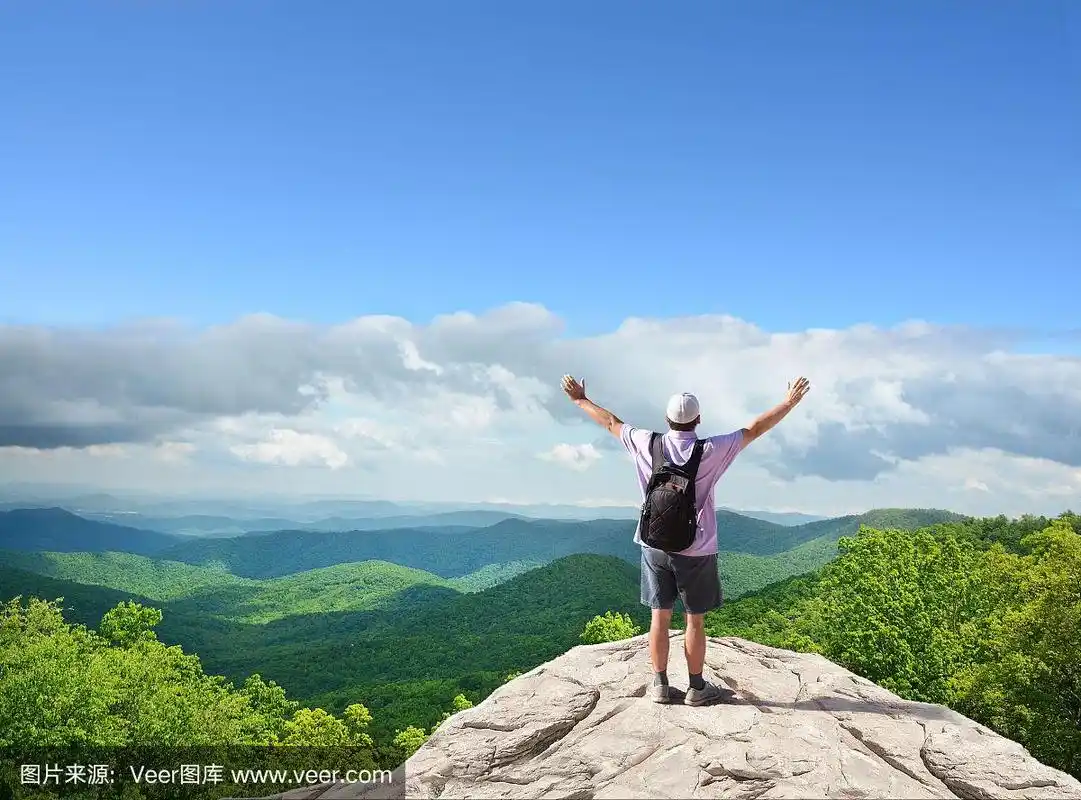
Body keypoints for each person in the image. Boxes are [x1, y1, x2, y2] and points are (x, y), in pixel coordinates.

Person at [560, 374, 811, 705]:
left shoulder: (646, 442)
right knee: (694, 619)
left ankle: (660, 685)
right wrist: (788, 403)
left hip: (654, 544)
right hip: (697, 547)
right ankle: (696, 687)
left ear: (666, 420)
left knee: (659, 616)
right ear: (698, 420)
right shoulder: (711, 450)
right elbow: (754, 429)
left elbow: (610, 422)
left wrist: (580, 400)